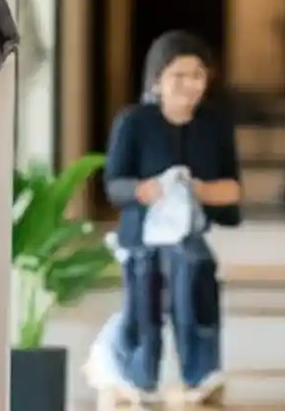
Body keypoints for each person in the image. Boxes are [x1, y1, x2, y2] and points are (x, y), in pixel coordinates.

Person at [87, 31, 242, 405]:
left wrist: (199, 189)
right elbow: (115, 186)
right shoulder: (134, 122)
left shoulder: (214, 124)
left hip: (188, 234)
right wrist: (146, 190)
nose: (190, 85)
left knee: (197, 291)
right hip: (143, 236)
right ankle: (136, 377)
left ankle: (201, 378)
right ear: (157, 78)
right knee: (144, 306)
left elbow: (233, 189)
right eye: (179, 75)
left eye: (198, 75)